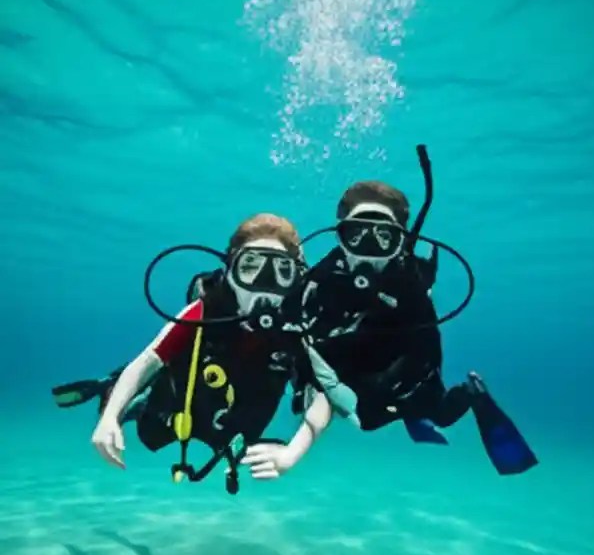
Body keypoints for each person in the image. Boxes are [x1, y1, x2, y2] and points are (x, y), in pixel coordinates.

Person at [53, 214, 333, 492]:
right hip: (184, 401)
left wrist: (294, 452)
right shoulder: (205, 309)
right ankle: (116, 392)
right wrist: (110, 417)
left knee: (238, 442)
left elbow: (325, 389)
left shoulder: (301, 324)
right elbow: (150, 358)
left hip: (239, 414)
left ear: (296, 277)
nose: (264, 284)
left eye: (282, 271)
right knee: (152, 428)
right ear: (230, 271)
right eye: (250, 268)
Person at [292, 180, 537, 475]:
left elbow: (427, 352)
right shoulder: (322, 278)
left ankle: (473, 393)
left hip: (400, 365)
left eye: (384, 237)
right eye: (356, 234)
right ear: (341, 236)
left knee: (438, 415)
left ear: (400, 241)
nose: (369, 249)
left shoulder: (409, 285)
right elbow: (296, 331)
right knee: (364, 419)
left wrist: (386, 388)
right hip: (352, 359)